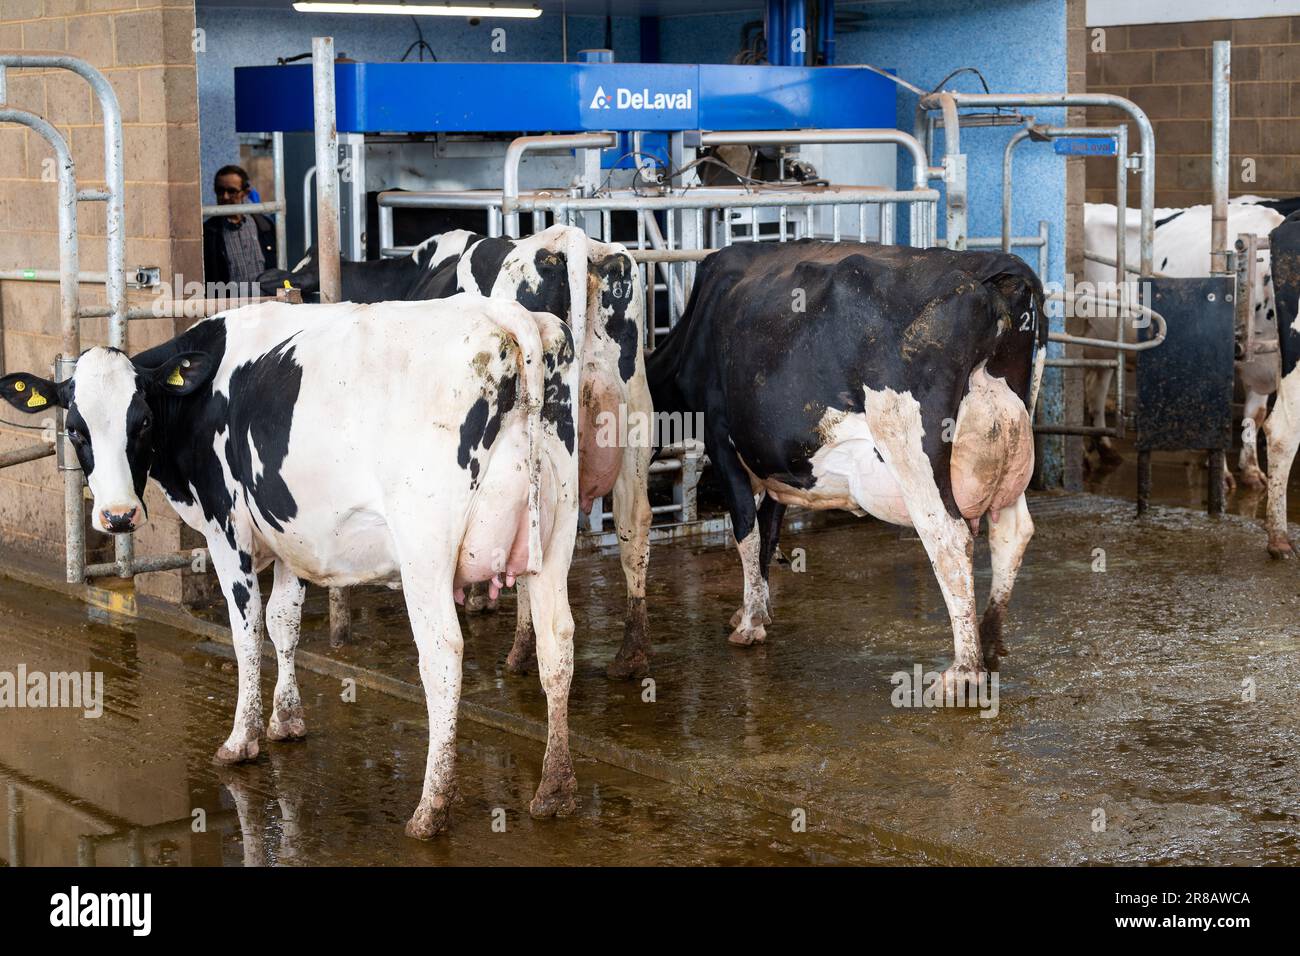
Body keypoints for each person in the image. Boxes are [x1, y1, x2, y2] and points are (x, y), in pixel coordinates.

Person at [202, 165, 277, 287]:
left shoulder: (264, 226)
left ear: (245, 193)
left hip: (266, 302)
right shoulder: (209, 232)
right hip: (229, 304)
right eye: (220, 191)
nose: (225, 196)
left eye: (232, 191)